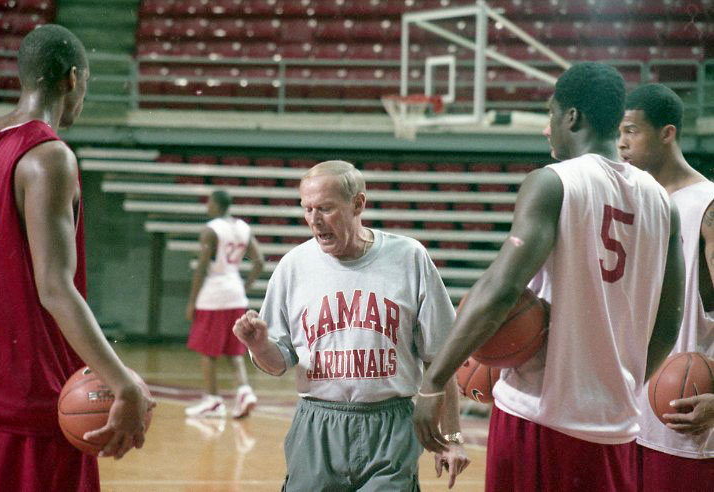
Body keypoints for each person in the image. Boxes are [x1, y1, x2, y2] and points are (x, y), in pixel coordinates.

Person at [413, 62, 685, 492]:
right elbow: (670, 322)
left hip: (540, 417)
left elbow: (501, 289)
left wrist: (433, 382)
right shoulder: (663, 203)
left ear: (571, 117)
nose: (546, 128)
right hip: (615, 427)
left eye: (550, 114)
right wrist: (620, 381)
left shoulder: (552, 182)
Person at [0, 25, 154, 492]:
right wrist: (122, 382)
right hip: (21, 395)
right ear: (72, 79)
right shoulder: (48, 157)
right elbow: (55, 288)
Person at [233, 160, 469, 491]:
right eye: (307, 209)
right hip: (317, 423)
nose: (314, 220)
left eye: (325, 208)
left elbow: (440, 357)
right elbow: (277, 364)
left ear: (358, 204)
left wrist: (452, 436)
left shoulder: (409, 258)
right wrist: (259, 346)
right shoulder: (293, 267)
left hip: (391, 425)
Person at [619, 83, 714, 490]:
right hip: (626, 417)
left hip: (684, 417)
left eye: (631, 130)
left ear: (667, 133)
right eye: (617, 133)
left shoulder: (707, 205)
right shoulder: (630, 202)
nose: (621, 143)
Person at [184, 189, 264, 419]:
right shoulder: (243, 228)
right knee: (234, 349)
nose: (207, 206)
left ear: (216, 205)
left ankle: (212, 400)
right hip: (235, 292)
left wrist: (192, 301)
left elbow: (201, 267)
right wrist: (244, 287)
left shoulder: (211, 230)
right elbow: (259, 261)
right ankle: (245, 391)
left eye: (209, 202)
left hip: (214, 295)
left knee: (207, 351)